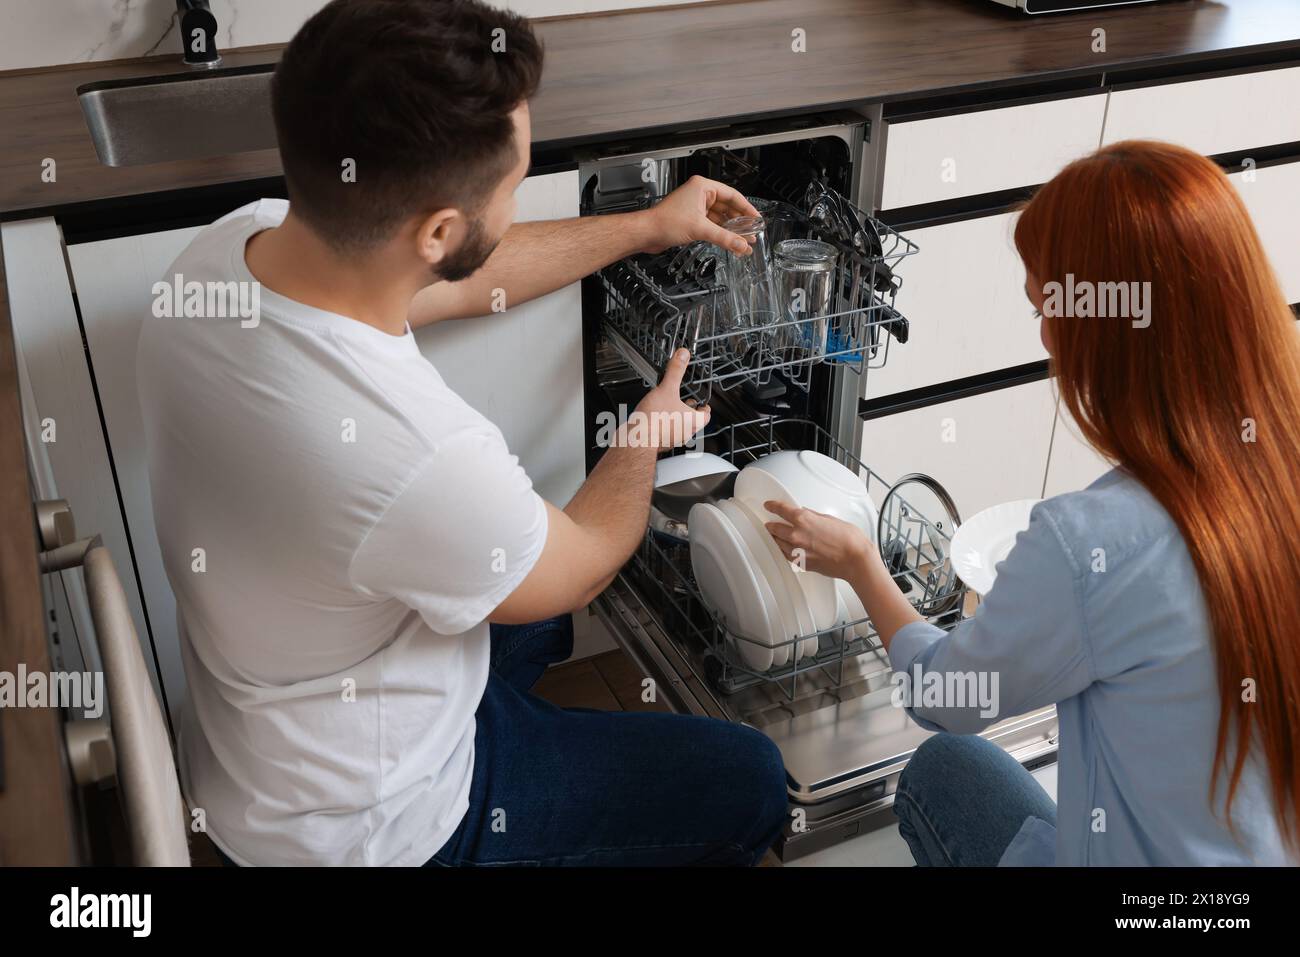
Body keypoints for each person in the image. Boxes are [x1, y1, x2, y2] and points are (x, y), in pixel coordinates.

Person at [136, 0, 787, 867]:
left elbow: (457, 280)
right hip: (386, 826)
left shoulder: (226, 253)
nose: (516, 200)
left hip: (268, 742)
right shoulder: (417, 453)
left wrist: (647, 225)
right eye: (514, 185)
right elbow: (587, 555)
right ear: (439, 230)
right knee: (750, 777)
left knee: (531, 623)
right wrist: (643, 433)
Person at [763, 139, 1300, 866]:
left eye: (1051, 307)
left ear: (1109, 332)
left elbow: (948, 695)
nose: (1046, 334)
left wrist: (862, 564)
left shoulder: (1092, 543)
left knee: (944, 768)